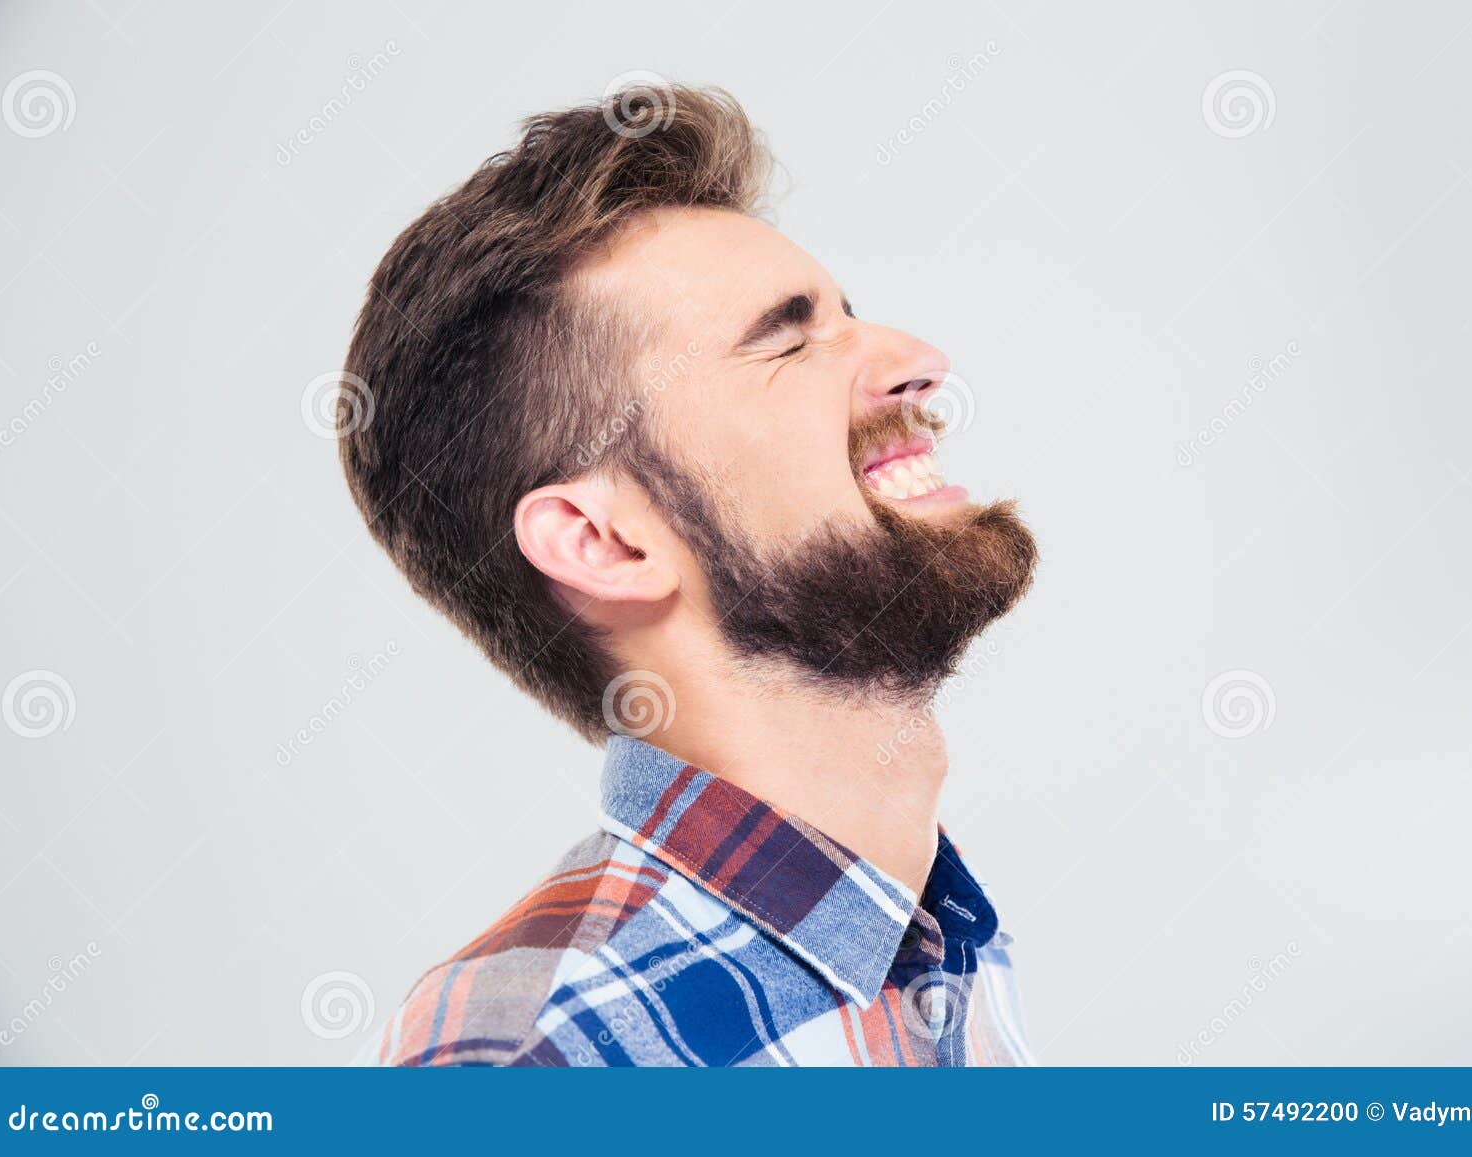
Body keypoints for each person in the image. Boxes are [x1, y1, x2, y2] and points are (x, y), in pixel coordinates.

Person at [340, 83, 1038, 1066]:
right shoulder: (540, 1063)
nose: (921, 360)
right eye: (788, 337)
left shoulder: (930, 935)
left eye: (849, 314)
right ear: (604, 540)